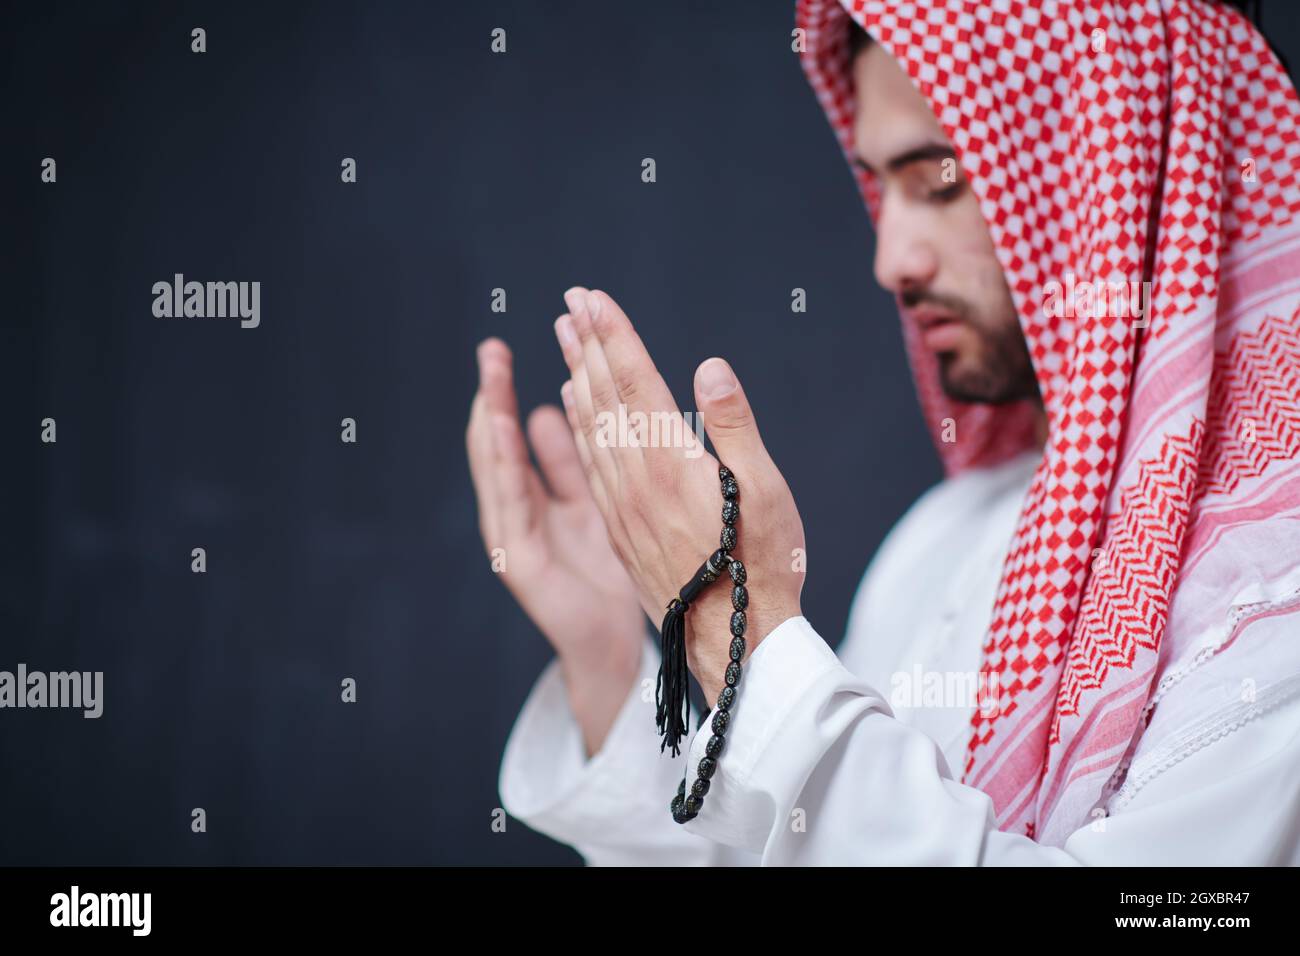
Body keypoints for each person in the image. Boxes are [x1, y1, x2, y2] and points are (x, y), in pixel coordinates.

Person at [466, 0, 1300, 864]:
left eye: (939, 178)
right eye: (879, 183)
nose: (890, 260)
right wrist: (615, 660)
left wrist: (732, 632)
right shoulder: (945, 538)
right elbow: (789, 844)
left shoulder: (1275, 589)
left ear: (1119, 173)